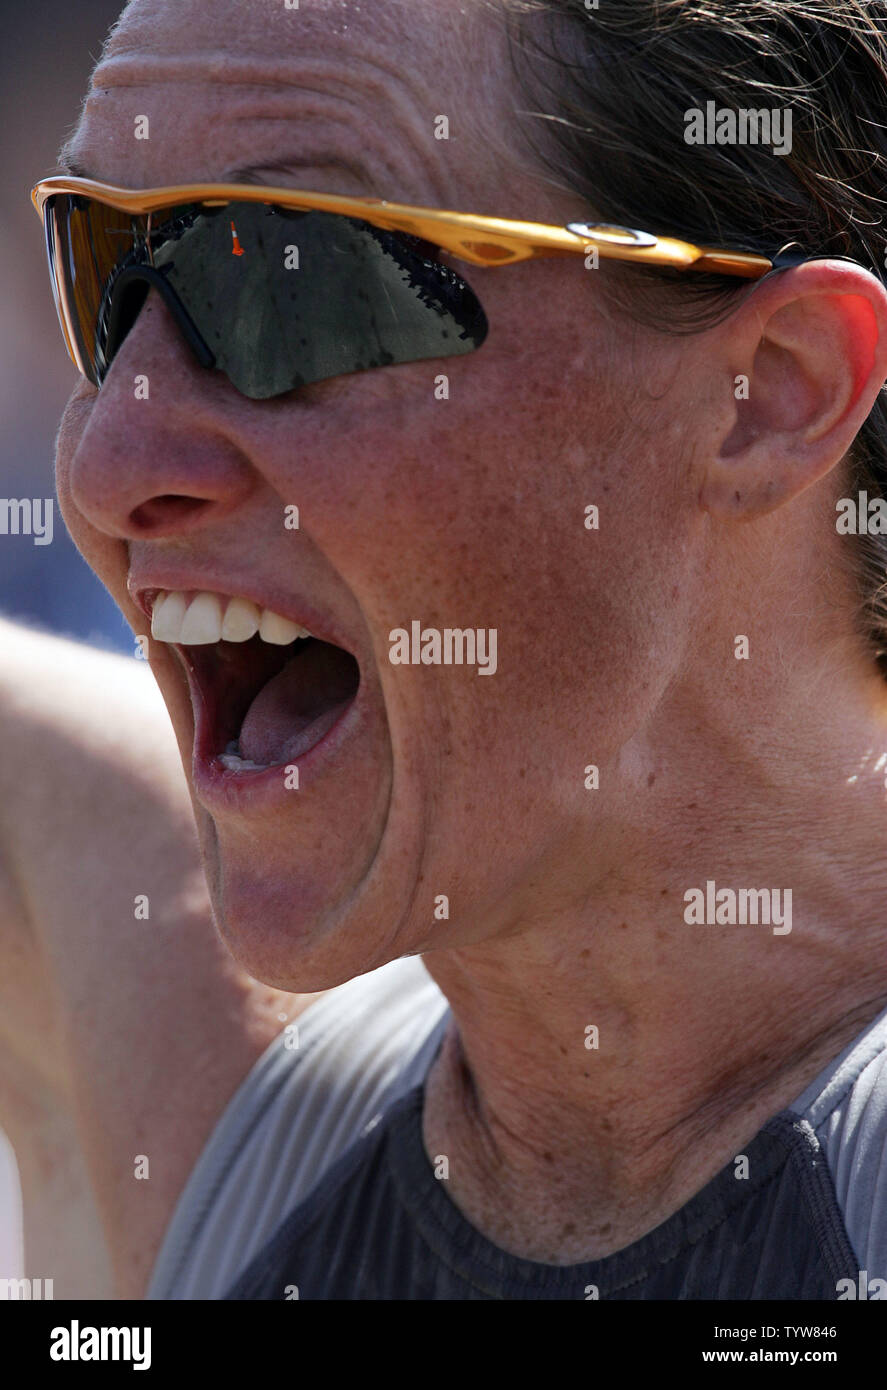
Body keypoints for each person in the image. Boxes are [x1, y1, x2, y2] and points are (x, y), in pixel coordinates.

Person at [4, 0, 887, 1299]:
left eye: (289, 282)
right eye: (103, 274)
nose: (105, 465)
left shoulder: (214, 1125)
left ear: (771, 389)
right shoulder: (224, 1097)